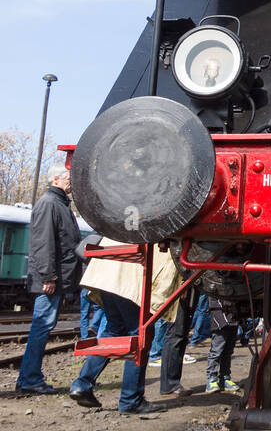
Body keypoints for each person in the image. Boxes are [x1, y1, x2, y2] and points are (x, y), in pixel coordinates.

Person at [68, 238, 184, 413]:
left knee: (114, 331)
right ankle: (131, 399)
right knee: (140, 335)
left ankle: (82, 384)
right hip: (132, 276)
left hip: (107, 271)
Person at [16, 163, 81, 395]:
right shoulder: (50, 204)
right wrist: (48, 276)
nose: (71, 182)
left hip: (57, 277)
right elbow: (43, 243)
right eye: (68, 179)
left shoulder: (59, 204)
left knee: (44, 325)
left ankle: (27, 378)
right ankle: (30, 379)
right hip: (51, 279)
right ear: (56, 179)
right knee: (42, 326)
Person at [204, 297, 242, 394]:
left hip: (233, 316)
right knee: (216, 351)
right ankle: (211, 379)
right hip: (219, 317)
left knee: (228, 352)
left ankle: (225, 378)